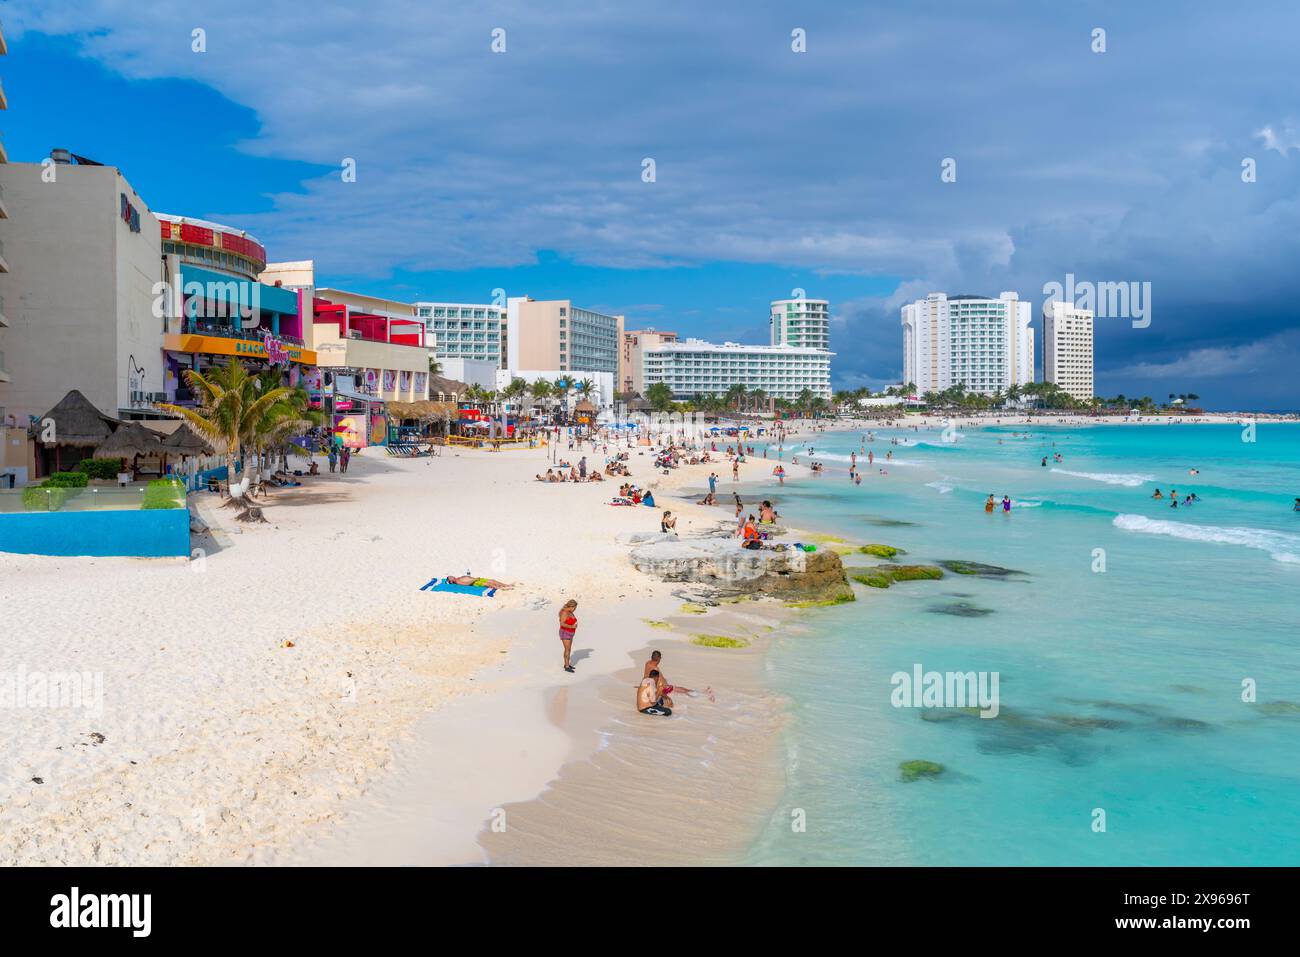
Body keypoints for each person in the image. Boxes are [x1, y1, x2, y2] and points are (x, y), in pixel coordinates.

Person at [558, 600, 578, 673]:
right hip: (565, 632)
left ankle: (568, 664)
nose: (575, 609)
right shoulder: (564, 612)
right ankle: (566, 666)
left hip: (570, 632)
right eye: (574, 608)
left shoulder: (570, 612)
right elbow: (562, 624)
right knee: (567, 649)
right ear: (571, 606)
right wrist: (572, 626)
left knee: (569, 649)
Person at [448, 574, 514, 589]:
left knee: (492, 580)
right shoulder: (458, 581)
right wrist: (474, 579)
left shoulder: (458, 578)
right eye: (450, 577)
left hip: (477, 579)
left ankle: (506, 585)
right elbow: (466, 584)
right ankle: (502, 588)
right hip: (475, 582)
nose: (451, 576)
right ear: (451, 581)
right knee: (489, 584)